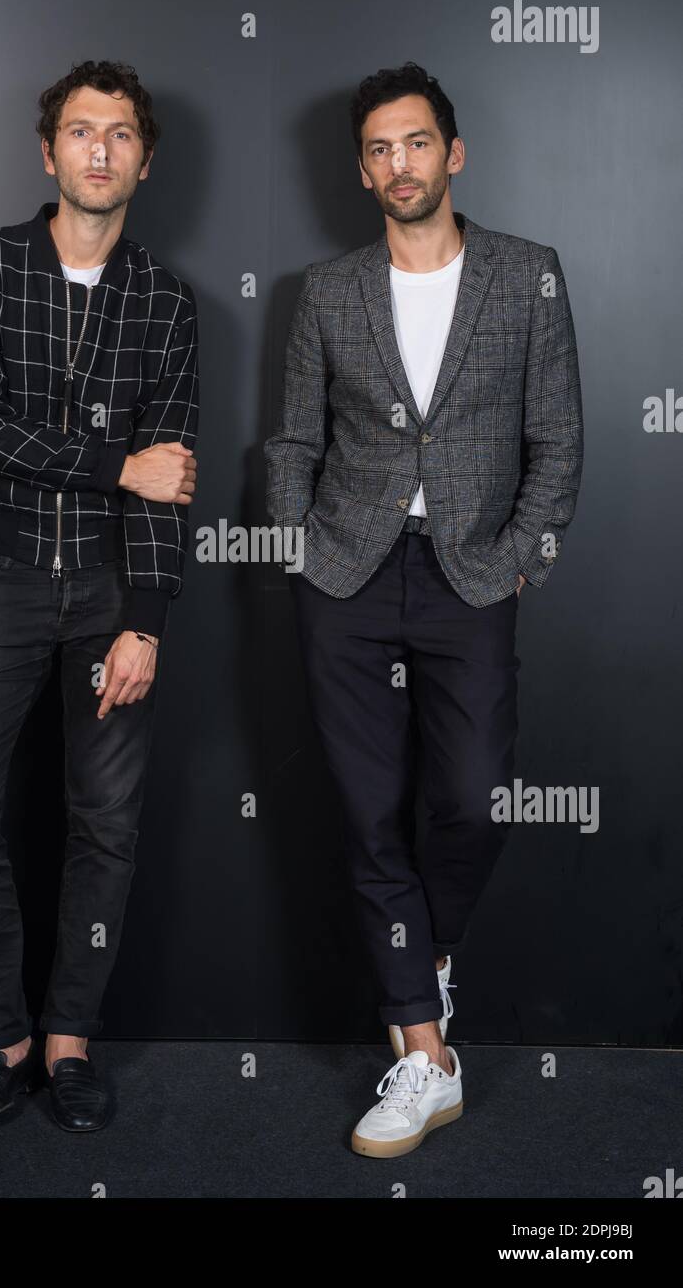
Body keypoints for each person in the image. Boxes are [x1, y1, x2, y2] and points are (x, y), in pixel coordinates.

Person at [264, 61, 583, 1158]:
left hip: (471, 574)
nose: (396, 164)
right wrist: (299, 552)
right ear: (361, 171)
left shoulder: (525, 276)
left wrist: (518, 557)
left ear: (452, 153)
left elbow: (558, 441)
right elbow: (293, 442)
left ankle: (422, 972)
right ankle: (422, 1054)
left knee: (472, 798)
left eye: (414, 143)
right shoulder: (327, 289)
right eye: (376, 150)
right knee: (365, 813)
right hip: (345, 577)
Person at [0, 60, 199, 1132]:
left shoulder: (166, 301)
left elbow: (171, 478)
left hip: (109, 588)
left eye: (119, 133)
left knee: (108, 823)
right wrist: (114, 463)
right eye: (79, 131)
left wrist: (146, 619)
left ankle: (70, 1040)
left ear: (142, 157)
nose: (98, 149)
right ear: (48, 153)